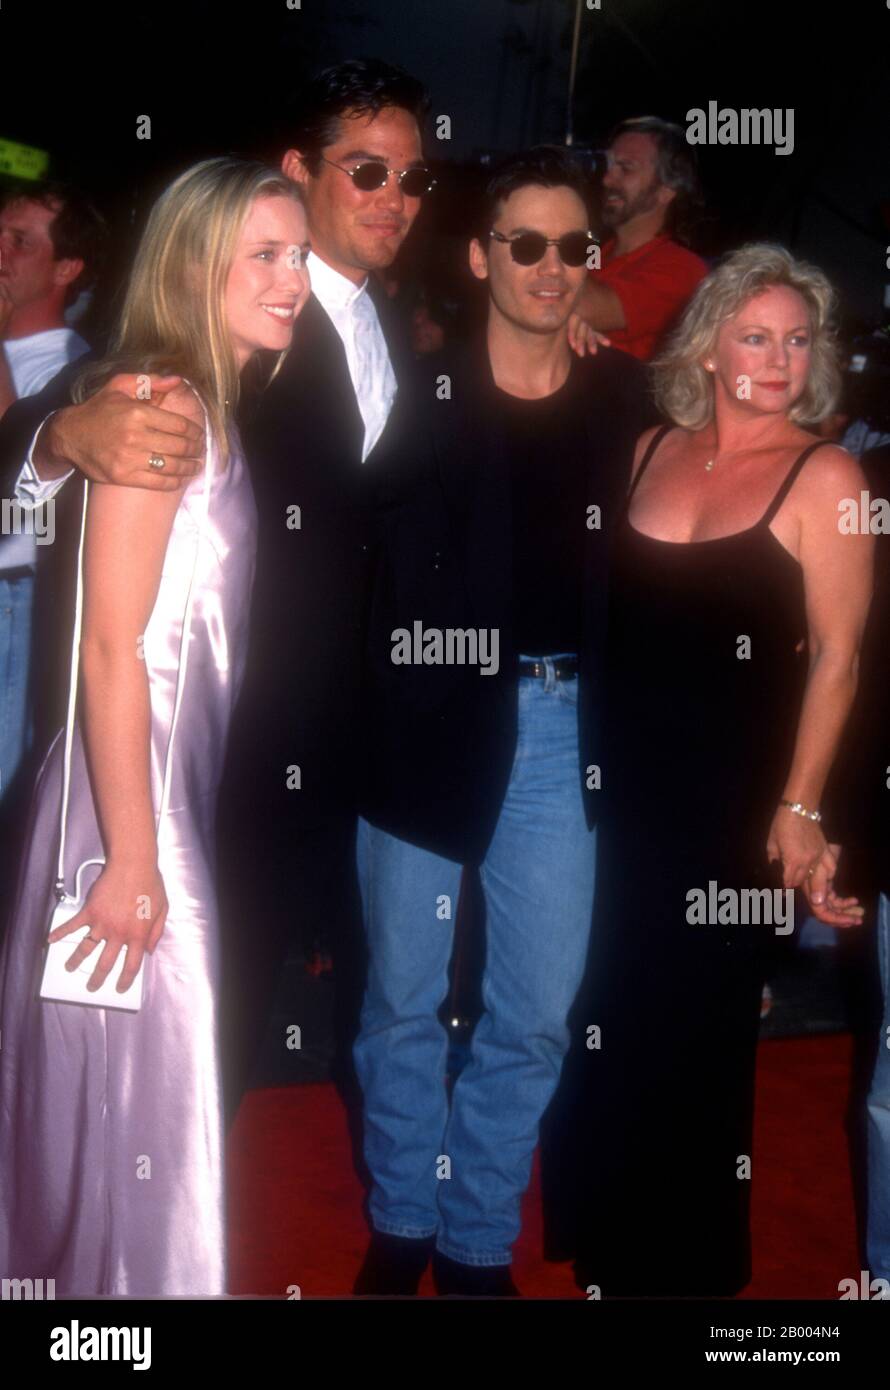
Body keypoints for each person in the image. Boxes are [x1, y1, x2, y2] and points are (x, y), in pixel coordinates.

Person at [0, 59, 432, 1123]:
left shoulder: (413, 332)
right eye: (367, 170)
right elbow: (65, 458)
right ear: (300, 170)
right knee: (129, 1069)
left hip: (313, 764)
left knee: (209, 1061)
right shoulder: (190, 356)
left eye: (414, 180)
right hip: (181, 757)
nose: (393, 198)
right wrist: (59, 438)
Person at [0, 157, 310, 1296]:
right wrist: (132, 859)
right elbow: (108, 646)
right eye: (263, 255)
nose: (291, 279)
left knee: (99, 1109)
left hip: (134, 800)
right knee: (137, 1108)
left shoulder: (204, 397)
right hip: (120, 821)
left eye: (297, 255)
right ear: (193, 264)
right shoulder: (165, 404)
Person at [541, 243, 873, 1297]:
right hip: (613, 801)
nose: (776, 359)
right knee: (601, 1020)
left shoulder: (825, 473)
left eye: (794, 338)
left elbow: (838, 656)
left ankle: (680, 1277)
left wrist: (801, 804)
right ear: (706, 341)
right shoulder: (648, 447)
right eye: (752, 334)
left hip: (730, 812)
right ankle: (606, 1256)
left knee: (691, 1045)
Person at [355, 147, 654, 1296]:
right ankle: (400, 1220)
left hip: (563, 739)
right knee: (399, 1000)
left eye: (572, 246)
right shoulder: (413, 401)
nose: (547, 267)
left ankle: (475, 1239)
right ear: (479, 257)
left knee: (532, 1013)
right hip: (423, 726)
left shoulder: (628, 401)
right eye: (521, 243)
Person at [0, 182, 105, 830]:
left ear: (67, 269)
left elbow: (23, 518)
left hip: (12, 600)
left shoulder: (74, 370)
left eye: (18, 242)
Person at [568, 116, 707, 361]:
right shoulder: (597, 253)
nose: (607, 179)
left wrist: (557, 214)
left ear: (666, 191)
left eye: (626, 168)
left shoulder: (682, 269)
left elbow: (582, 306)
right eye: (609, 166)